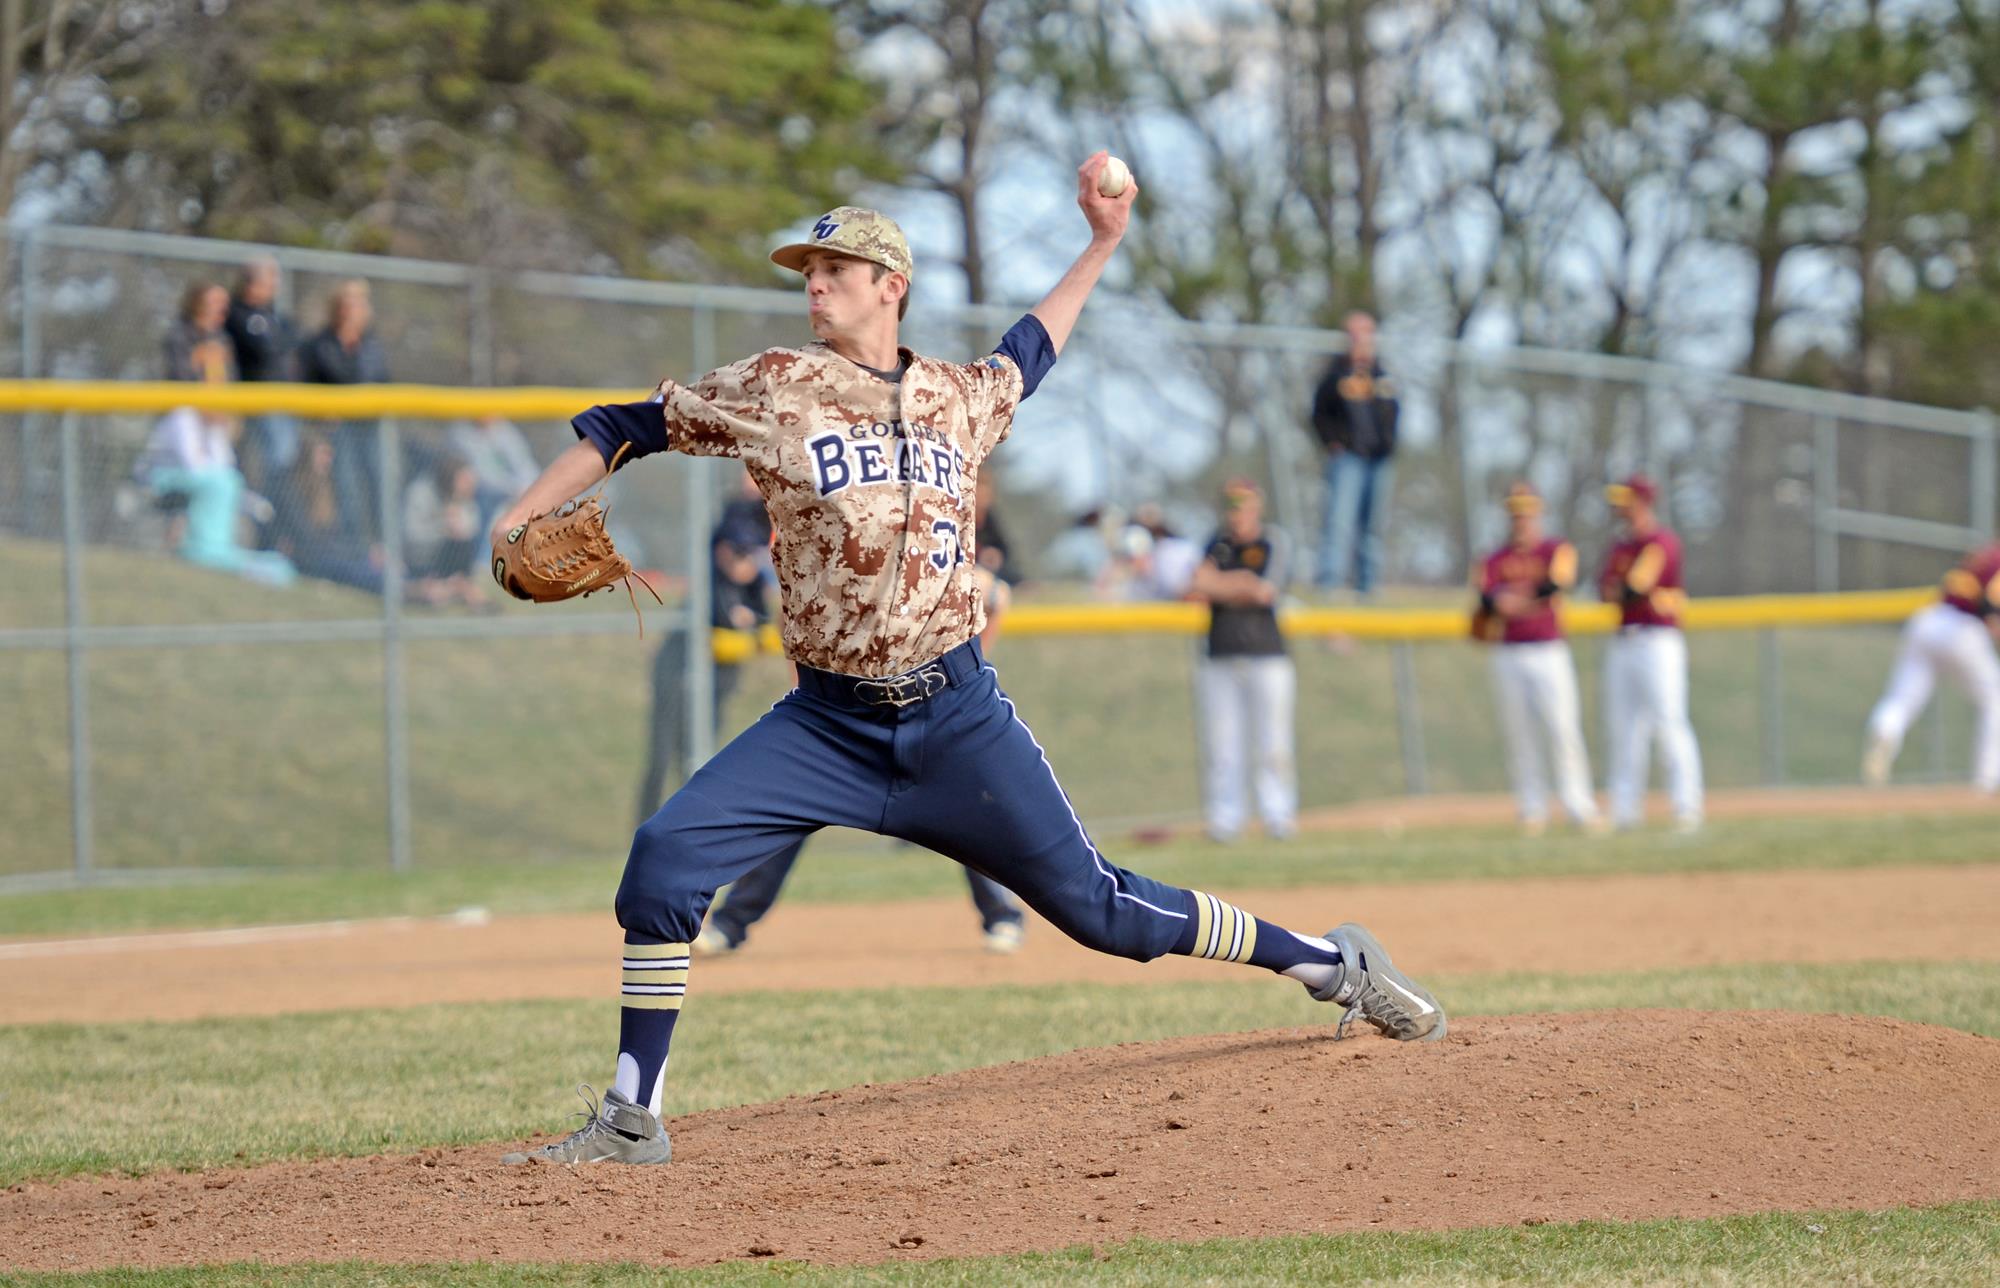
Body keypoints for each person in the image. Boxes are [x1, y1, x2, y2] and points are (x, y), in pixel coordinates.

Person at [491, 159, 1445, 1167]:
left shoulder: (958, 396)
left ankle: (1330, 964)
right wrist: (521, 516)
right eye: (806, 272)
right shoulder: (775, 386)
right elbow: (621, 428)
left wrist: (1103, 241)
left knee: (1105, 913)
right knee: (664, 862)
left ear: (890, 286)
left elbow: (1034, 344)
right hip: (825, 726)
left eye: (834, 269)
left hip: (955, 719)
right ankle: (632, 1115)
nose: (814, 284)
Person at [1471, 483, 1601, 835]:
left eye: (1527, 512)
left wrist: (1515, 600)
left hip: (1549, 649)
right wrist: (1521, 601)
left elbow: (1554, 586)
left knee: (1562, 729)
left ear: (1538, 513)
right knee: (1520, 733)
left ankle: (1578, 803)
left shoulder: (1555, 549)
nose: (1521, 519)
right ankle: (1532, 807)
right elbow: (1487, 598)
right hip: (1509, 651)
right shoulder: (1494, 557)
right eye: (1516, 512)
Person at [1187, 479, 1296, 843]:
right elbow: (1197, 584)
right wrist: (1240, 583)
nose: (1237, 513)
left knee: (1273, 742)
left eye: (1243, 504)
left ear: (1256, 506)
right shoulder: (1215, 543)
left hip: (1267, 655)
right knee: (1223, 745)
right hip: (1220, 654)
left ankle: (1278, 815)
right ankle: (1225, 819)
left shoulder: (1272, 541)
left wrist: (1220, 585)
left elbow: (1264, 591)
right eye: (1231, 505)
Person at [1597, 474, 1703, 832]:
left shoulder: (1661, 541)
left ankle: (1686, 806)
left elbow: (1632, 588)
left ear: (1643, 503)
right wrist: (1623, 591)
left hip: (1658, 641)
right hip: (1624, 640)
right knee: (1624, 727)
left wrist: (1624, 591)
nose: (1620, 508)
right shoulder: (1620, 546)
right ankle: (1625, 810)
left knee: (1669, 721)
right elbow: (1606, 590)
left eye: (1627, 501)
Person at [1861, 543, 2000, 793]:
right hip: (1963, 630)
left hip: (1929, 620)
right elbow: (1991, 605)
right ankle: (1986, 780)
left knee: (1902, 698)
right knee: (1995, 701)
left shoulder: (1984, 554)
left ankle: (1885, 729)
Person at [134, 406, 295, 588]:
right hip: (161, 486)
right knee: (221, 484)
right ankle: (198, 545)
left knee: (229, 482)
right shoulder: (183, 419)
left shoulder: (213, 431)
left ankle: (212, 546)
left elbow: (226, 468)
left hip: (191, 489)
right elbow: (194, 468)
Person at [1308, 312, 1398, 596]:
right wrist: (1333, 442)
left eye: (1366, 333)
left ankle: (1367, 587)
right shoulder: (1334, 376)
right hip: (1347, 459)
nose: (1361, 340)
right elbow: (1318, 414)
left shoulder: (1383, 376)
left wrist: (1388, 444)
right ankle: (1329, 583)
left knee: (1373, 525)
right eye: (1355, 334)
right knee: (1339, 521)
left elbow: (1393, 413)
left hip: (1378, 460)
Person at [300, 280, 392, 544]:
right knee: (347, 486)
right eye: (346, 306)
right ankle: (355, 545)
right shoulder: (320, 344)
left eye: (358, 305)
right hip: (337, 430)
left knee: (381, 483)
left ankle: (384, 543)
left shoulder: (371, 345)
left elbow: (381, 380)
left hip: (370, 426)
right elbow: (321, 382)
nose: (352, 312)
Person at [224, 257, 300, 491]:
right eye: (269, 281)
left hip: (282, 399)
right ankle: (263, 503)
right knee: (267, 459)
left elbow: (292, 340)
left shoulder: (273, 315)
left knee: (285, 459)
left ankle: (273, 504)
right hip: (256, 401)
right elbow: (264, 348)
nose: (274, 287)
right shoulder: (237, 313)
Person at [163, 282, 237, 384]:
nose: (224, 308)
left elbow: (232, 376)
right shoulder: (179, 334)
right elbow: (179, 375)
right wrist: (199, 359)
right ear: (199, 304)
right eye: (216, 301)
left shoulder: (223, 337)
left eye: (225, 302)